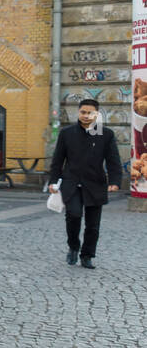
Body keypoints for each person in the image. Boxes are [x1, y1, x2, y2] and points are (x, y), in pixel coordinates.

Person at [49, 99, 121, 269]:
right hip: (71, 183)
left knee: (93, 225)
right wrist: (53, 181)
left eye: (90, 113)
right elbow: (58, 160)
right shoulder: (66, 133)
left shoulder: (106, 134)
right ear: (78, 112)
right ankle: (73, 246)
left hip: (95, 184)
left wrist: (115, 181)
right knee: (73, 215)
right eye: (83, 112)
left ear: (97, 114)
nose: (86, 116)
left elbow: (113, 160)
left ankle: (87, 254)